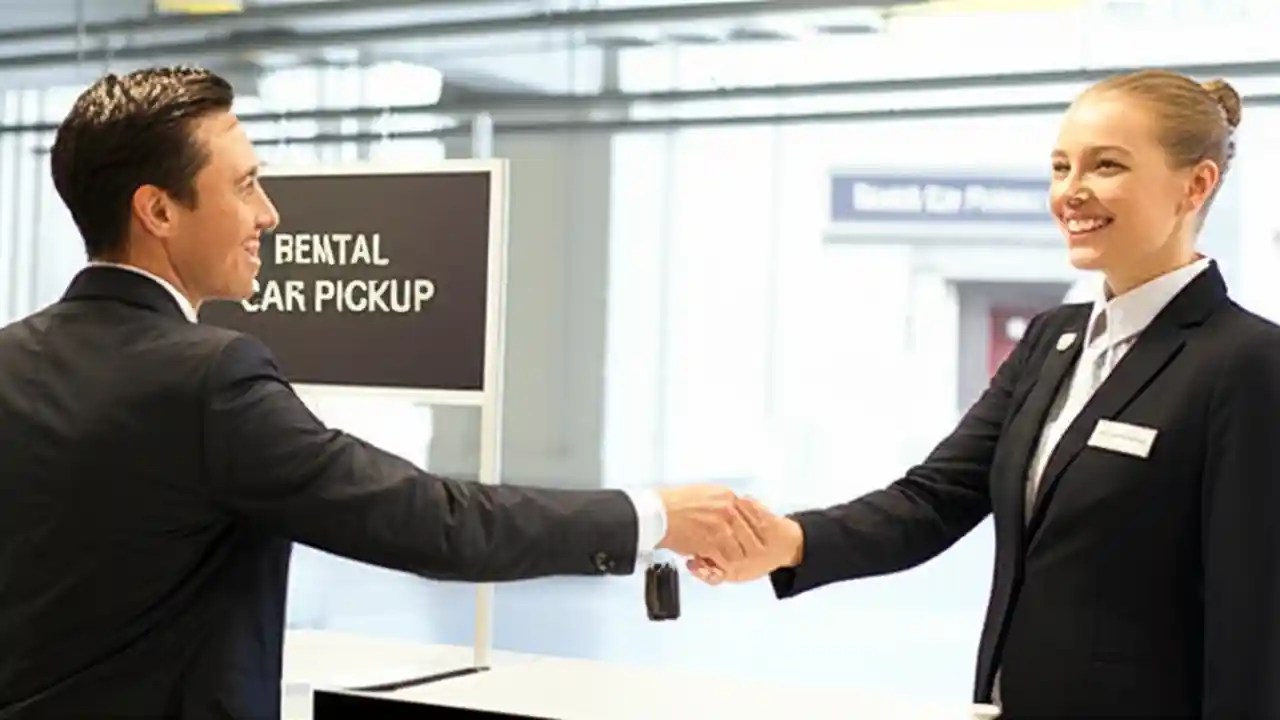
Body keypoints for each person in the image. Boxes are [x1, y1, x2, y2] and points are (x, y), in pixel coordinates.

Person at [0, 67, 768, 719]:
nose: (269, 213)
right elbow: (430, 523)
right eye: (245, 185)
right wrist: (653, 516)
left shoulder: (10, 359)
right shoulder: (208, 378)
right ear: (159, 210)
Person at [694, 69, 1280, 718]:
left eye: (1106, 165)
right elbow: (935, 498)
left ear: (1196, 185)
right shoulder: (1052, 340)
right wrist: (788, 540)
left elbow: (1255, 616)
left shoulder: (1249, 363)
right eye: (1060, 167)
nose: (1071, 192)